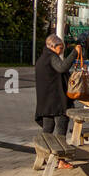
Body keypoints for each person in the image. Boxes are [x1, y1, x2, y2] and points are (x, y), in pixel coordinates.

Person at [34, 34, 82, 168]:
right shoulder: (51, 57)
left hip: (45, 101)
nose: (61, 51)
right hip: (57, 101)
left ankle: (42, 156)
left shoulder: (41, 59)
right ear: (53, 46)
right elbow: (62, 68)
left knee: (47, 130)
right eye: (61, 48)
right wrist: (74, 53)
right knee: (61, 130)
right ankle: (61, 160)